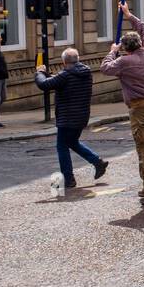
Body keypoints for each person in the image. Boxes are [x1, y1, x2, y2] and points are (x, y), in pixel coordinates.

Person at [100, 3, 144, 207]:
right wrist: (129, 15)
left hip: (142, 108)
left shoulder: (124, 62)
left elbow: (105, 68)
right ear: (139, 44)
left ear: (125, 48)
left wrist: (113, 51)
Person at [35, 48, 108, 189]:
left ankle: (68, 179)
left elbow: (44, 84)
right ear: (77, 59)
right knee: (73, 142)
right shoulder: (86, 73)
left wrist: (39, 72)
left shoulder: (66, 75)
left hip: (67, 118)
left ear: (64, 61)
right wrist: (46, 74)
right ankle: (97, 162)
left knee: (62, 147)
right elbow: (58, 82)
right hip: (81, 116)